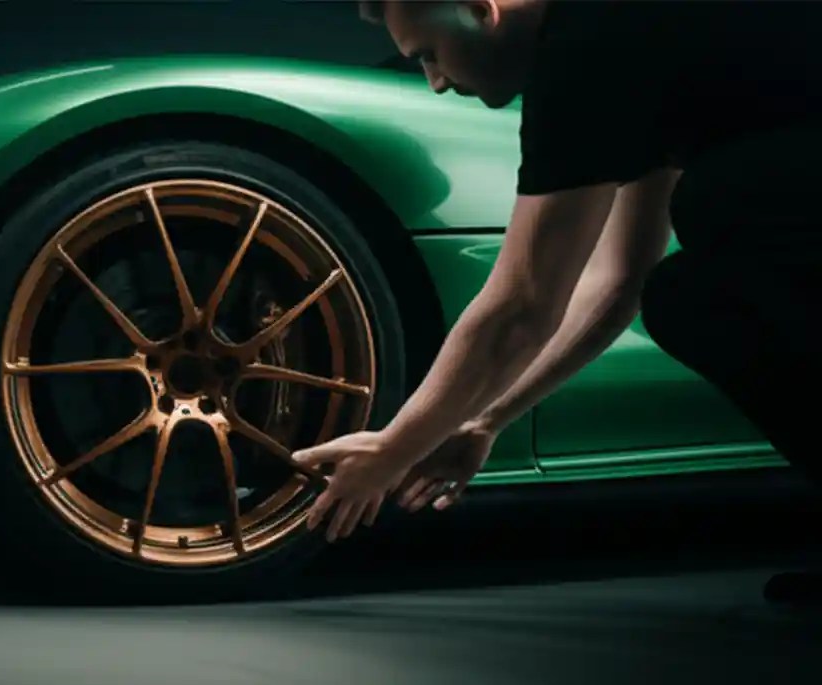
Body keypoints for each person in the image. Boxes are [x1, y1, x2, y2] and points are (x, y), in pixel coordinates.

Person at [293, 0, 822, 603]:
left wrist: (395, 450)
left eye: (430, 55)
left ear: (480, 10)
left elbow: (521, 306)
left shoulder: (584, 50)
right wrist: (484, 421)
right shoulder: (628, 46)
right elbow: (617, 283)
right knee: (682, 298)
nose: (435, 83)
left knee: (717, 203)